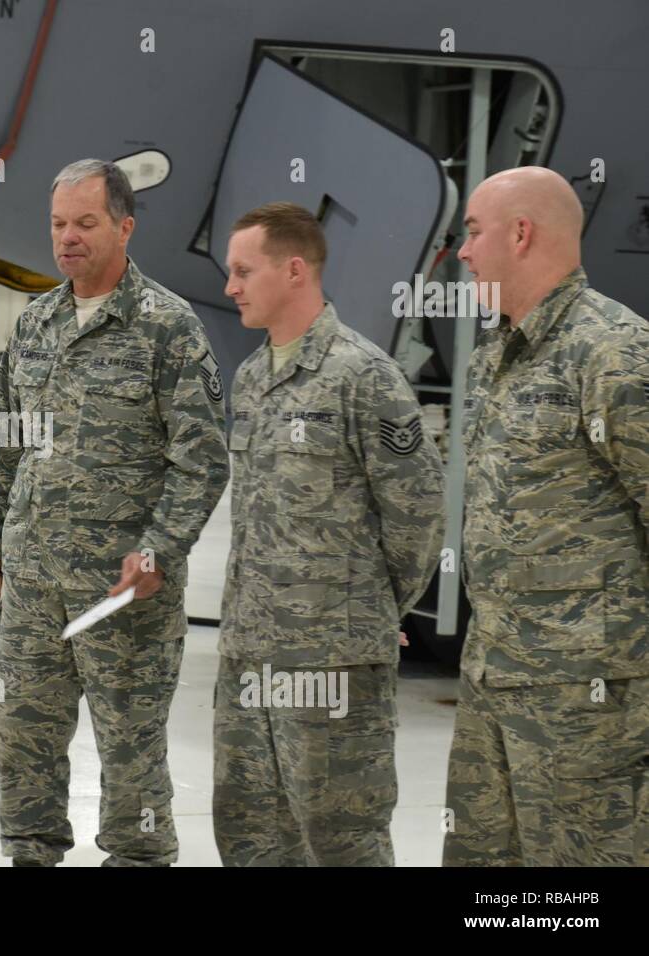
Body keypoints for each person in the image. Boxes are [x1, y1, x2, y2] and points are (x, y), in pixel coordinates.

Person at [0, 158, 229, 866]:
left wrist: (159, 550)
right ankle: (29, 853)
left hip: (123, 594)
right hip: (32, 585)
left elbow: (202, 460)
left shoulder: (167, 328)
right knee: (22, 736)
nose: (68, 238)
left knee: (130, 753)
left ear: (125, 226)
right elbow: (7, 445)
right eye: (58, 224)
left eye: (85, 223)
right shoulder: (34, 323)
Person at [213, 201, 445, 866]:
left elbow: (417, 512)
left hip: (332, 661)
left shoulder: (361, 376)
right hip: (249, 655)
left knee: (341, 838)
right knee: (250, 830)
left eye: (242, 270)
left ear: (293, 271)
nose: (230, 286)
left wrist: (369, 612)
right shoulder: (252, 378)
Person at [444, 166, 649, 866]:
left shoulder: (614, 351)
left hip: (585, 699)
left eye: (473, 232)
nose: (463, 251)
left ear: (521, 233)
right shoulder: (498, 353)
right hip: (492, 675)